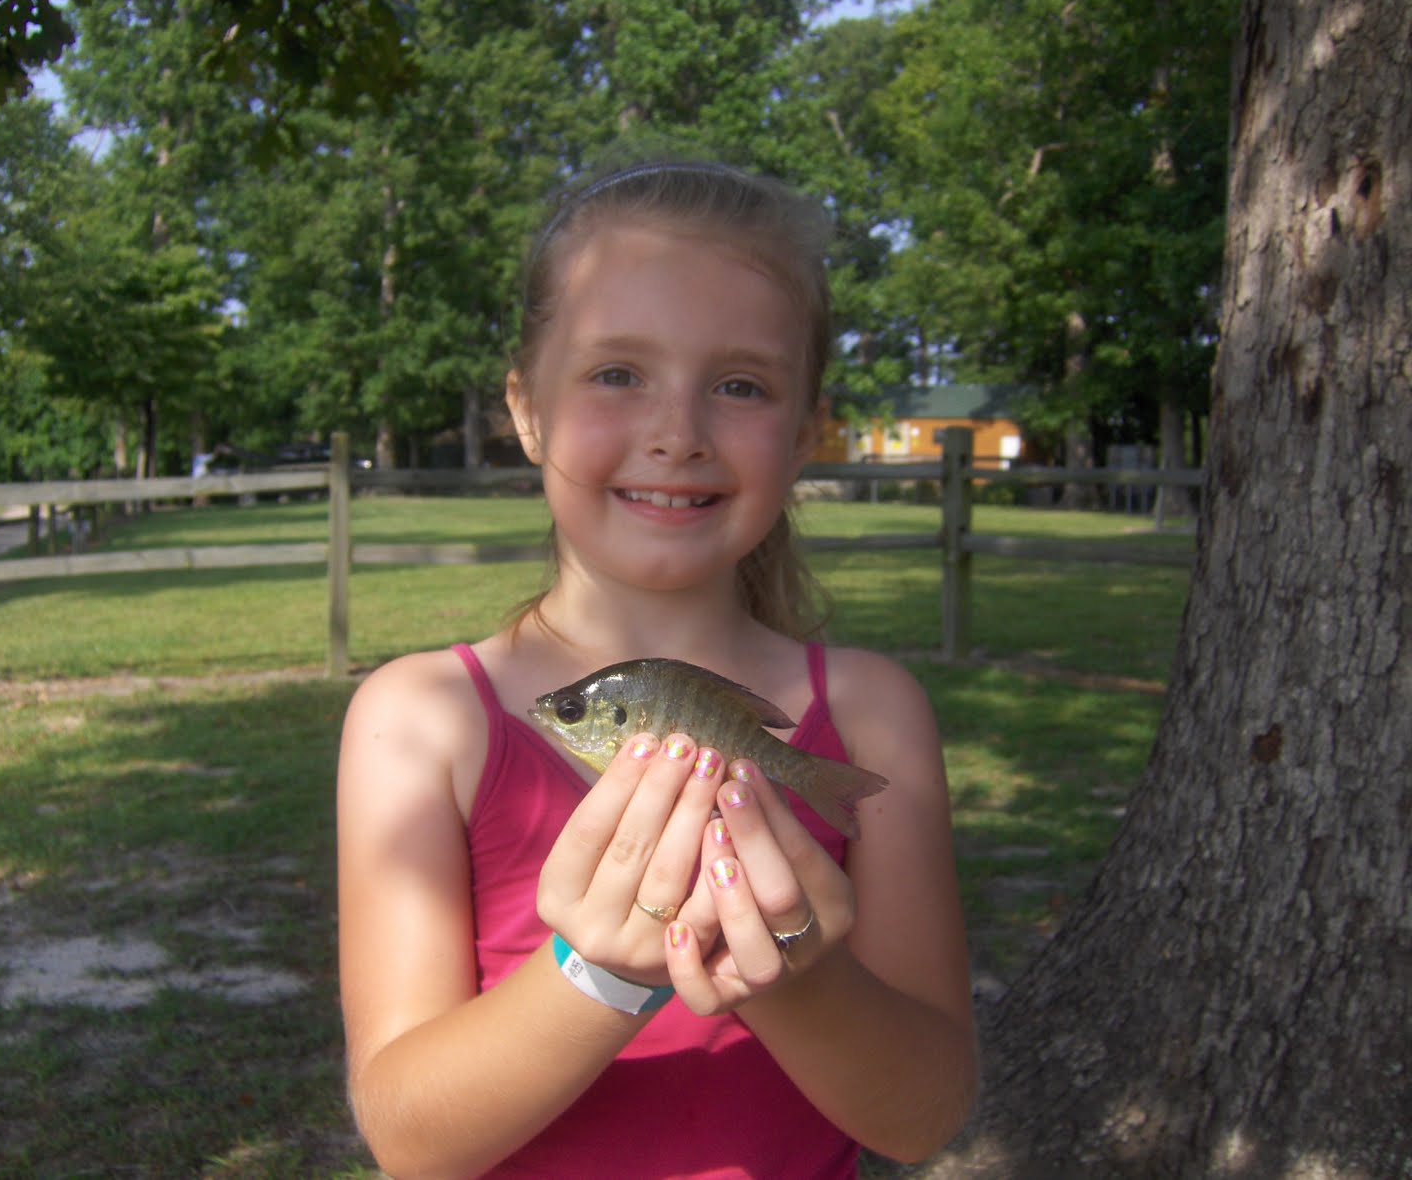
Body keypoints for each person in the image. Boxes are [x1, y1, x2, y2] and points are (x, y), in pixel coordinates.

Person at [336, 158, 977, 1179]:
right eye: (617, 374)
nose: (677, 434)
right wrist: (598, 971)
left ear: (805, 434)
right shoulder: (419, 720)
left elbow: (922, 1115)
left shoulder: (872, 716)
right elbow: (411, 1140)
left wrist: (794, 973)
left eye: (740, 385)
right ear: (526, 408)